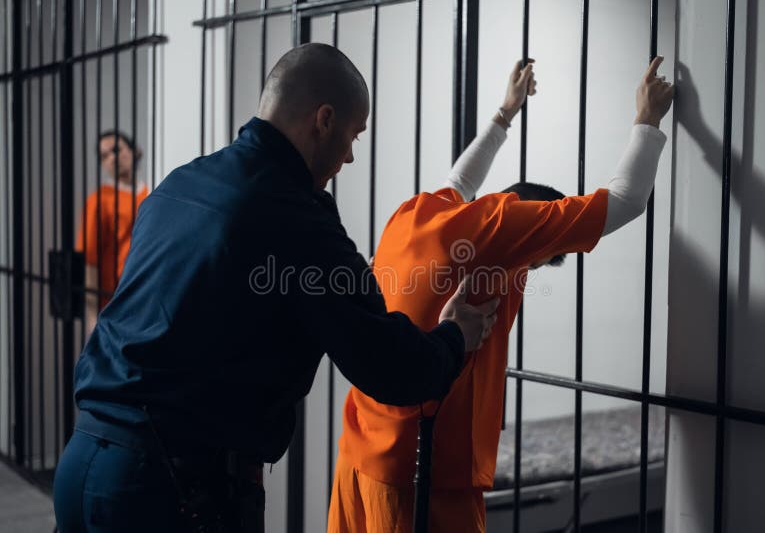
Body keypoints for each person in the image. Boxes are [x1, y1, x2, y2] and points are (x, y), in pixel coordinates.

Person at [53, 43, 499, 533]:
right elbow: (391, 366)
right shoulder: (292, 216)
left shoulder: (180, 183)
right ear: (324, 120)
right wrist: (455, 335)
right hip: (167, 488)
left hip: (82, 460)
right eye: (354, 136)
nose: (350, 157)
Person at [327, 56, 674, 532]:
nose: (523, 274)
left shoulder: (423, 212)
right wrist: (647, 119)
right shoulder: (505, 232)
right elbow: (628, 200)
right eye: (531, 262)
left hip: (359, 457)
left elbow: (460, 180)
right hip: (423, 477)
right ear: (529, 231)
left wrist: (505, 112)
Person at [76, 131, 149, 335]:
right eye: (104, 156)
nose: (111, 158)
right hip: (113, 301)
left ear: (135, 151)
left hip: (146, 298)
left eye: (116, 150)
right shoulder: (98, 201)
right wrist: (91, 316)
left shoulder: (151, 194)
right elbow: (90, 261)